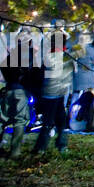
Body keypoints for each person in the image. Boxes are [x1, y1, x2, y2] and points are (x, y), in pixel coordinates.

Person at [33, 26, 73, 155]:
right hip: (56, 91)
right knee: (52, 120)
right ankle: (43, 147)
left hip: (52, 91)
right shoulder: (62, 56)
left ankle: (50, 145)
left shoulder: (48, 55)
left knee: (57, 119)